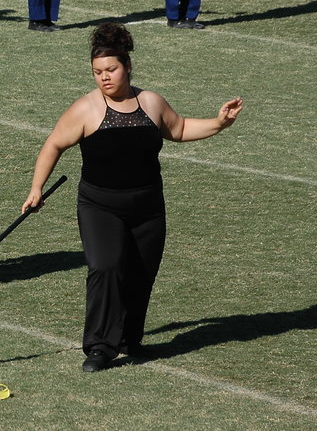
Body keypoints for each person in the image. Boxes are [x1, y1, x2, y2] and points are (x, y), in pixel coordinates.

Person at [20, 22, 243, 372]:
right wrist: (36, 188)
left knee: (141, 273)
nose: (104, 78)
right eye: (97, 72)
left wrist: (219, 123)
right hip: (100, 206)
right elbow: (54, 144)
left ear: (127, 67)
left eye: (111, 70)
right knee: (105, 268)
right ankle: (99, 346)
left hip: (148, 207)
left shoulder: (150, 103)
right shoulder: (86, 109)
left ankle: (128, 338)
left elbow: (180, 128)